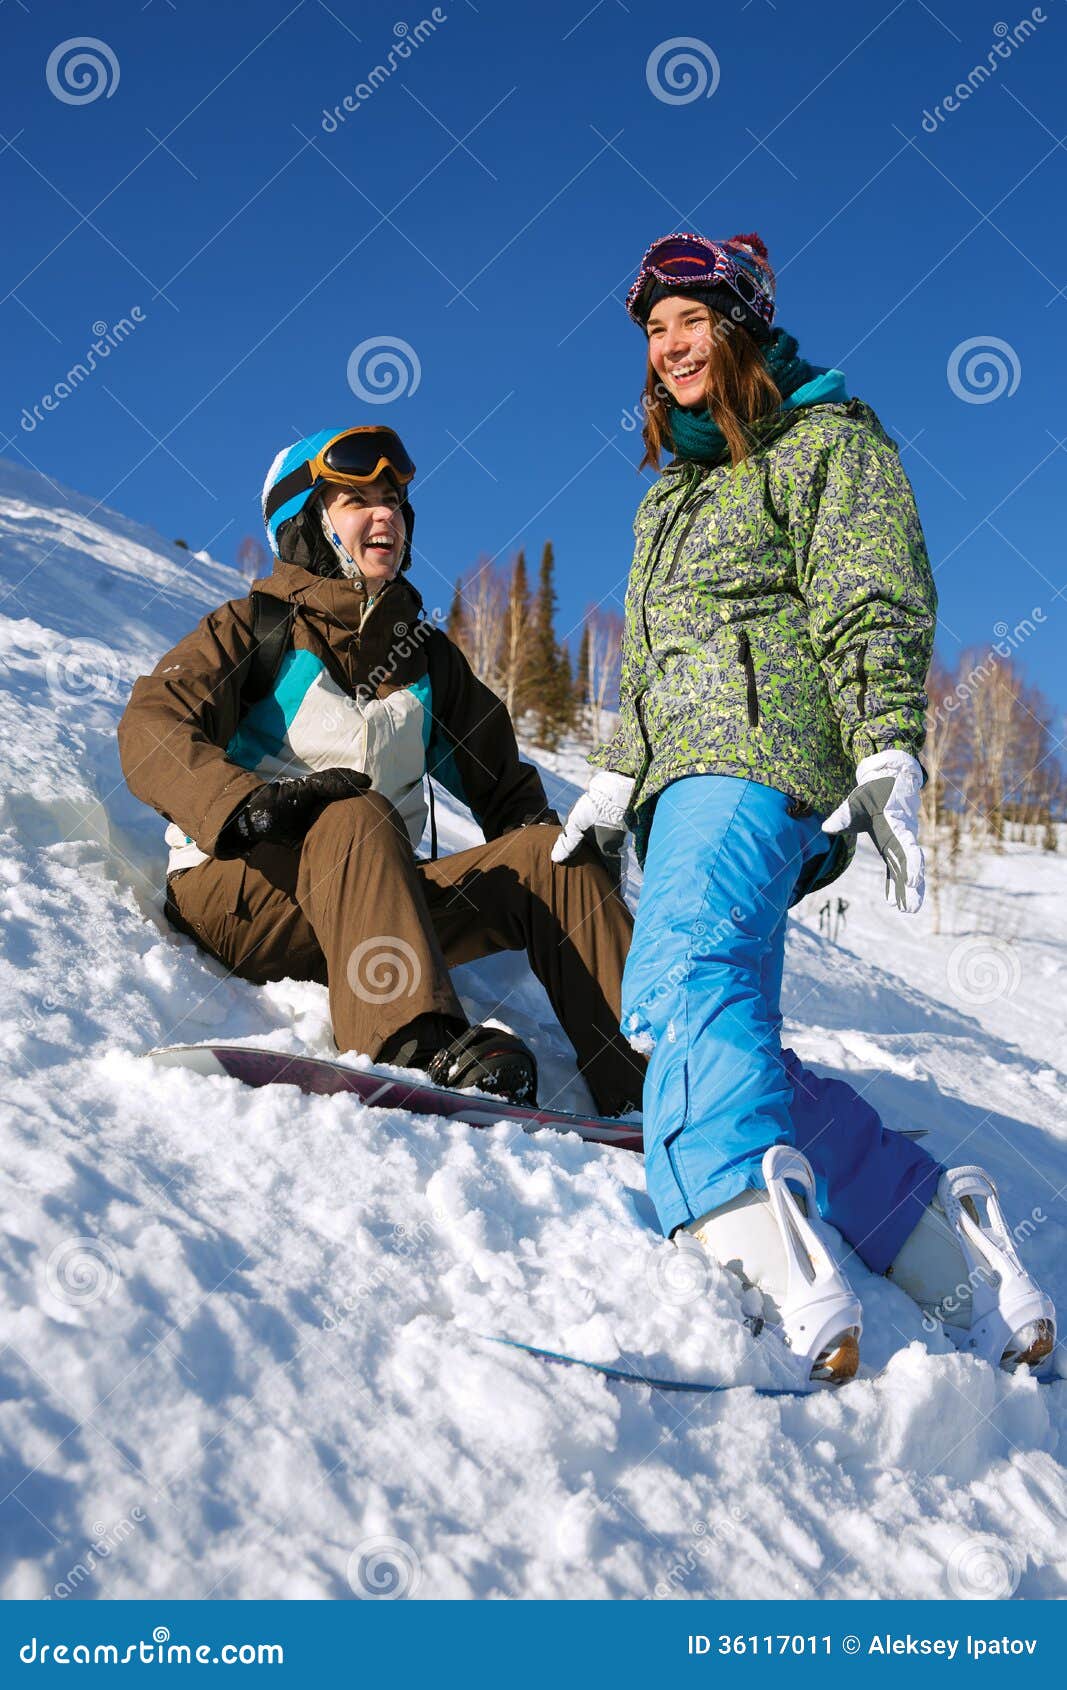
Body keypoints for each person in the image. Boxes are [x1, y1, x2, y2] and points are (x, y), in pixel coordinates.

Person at [553, 232, 1055, 1384]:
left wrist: (883, 740)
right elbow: (656, 668)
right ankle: (949, 1252)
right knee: (726, 1021)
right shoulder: (666, 502)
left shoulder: (822, 439)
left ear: (742, 324)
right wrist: (618, 772)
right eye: (653, 331)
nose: (670, 347)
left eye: (691, 320)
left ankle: (748, 1234)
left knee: (678, 985)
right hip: (685, 772)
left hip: (757, 752)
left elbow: (867, 587)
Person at [118, 424, 646, 1116]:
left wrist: (572, 882)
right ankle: (410, 1041)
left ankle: (650, 1072)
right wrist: (245, 805)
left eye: (393, 500)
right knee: (351, 809)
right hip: (248, 898)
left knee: (554, 854)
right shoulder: (253, 627)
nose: (385, 516)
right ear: (306, 522)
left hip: (379, 907)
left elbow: (504, 789)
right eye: (356, 500)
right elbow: (151, 727)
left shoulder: (423, 657)